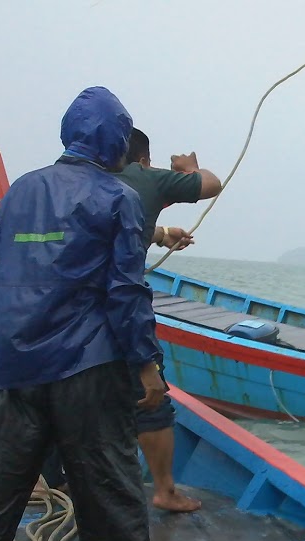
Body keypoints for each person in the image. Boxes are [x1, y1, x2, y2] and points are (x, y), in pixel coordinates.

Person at [0, 86, 177, 541]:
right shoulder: (119, 199)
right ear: (116, 141)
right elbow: (125, 292)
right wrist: (145, 365)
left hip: (16, 366)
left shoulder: (23, 190)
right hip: (88, 368)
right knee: (106, 480)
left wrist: (8, 331)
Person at [115, 127, 223, 512]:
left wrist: (159, 234)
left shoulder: (86, 178)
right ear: (144, 160)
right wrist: (190, 170)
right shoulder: (144, 176)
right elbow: (212, 184)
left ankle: (46, 483)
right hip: (119, 305)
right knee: (152, 396)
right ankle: (164, 490)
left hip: (64, 314)